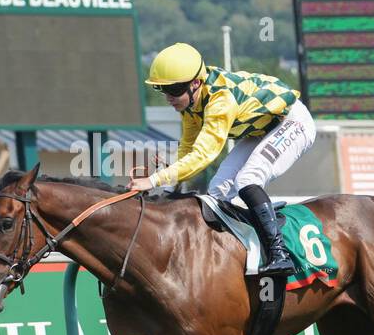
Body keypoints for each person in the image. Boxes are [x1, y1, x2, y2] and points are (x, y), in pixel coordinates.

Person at [132, 42, 316, 275]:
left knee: (248, 179)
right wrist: (166, 186)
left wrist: (154, 180)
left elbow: (203, 155)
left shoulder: (220, 101)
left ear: (195, 83)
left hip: (292, 122)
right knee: (217, 190)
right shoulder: (191, 103)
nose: (169, 97)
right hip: (261, 130)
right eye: (162, 89)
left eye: (175, 89)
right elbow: (188, 147)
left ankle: (279, 252)